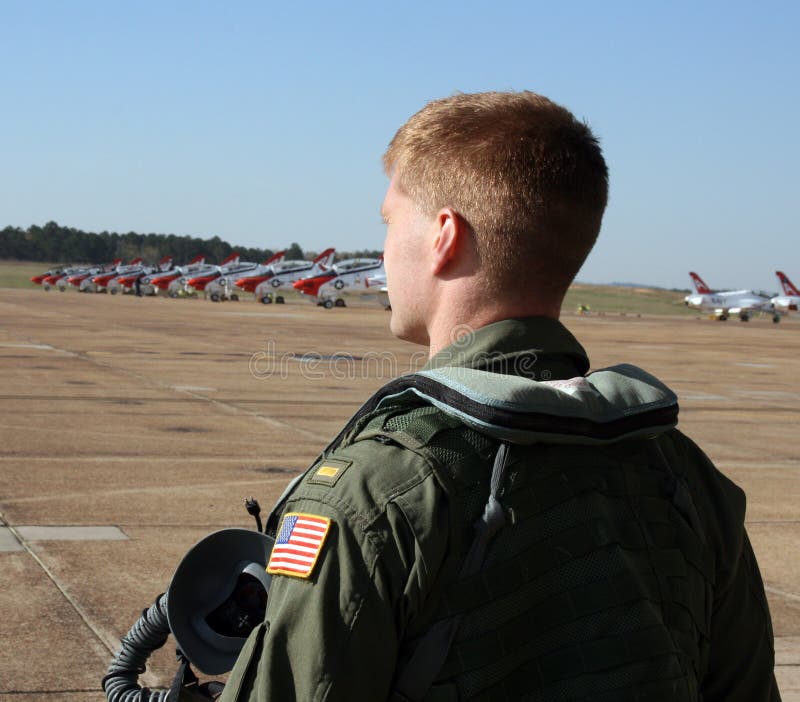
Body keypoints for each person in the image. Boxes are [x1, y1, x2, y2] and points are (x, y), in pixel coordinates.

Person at [220, 92, 780, 701]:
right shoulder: (689, 479)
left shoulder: (377, 492)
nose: (383, 250)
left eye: (389, 221)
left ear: (444, 237)